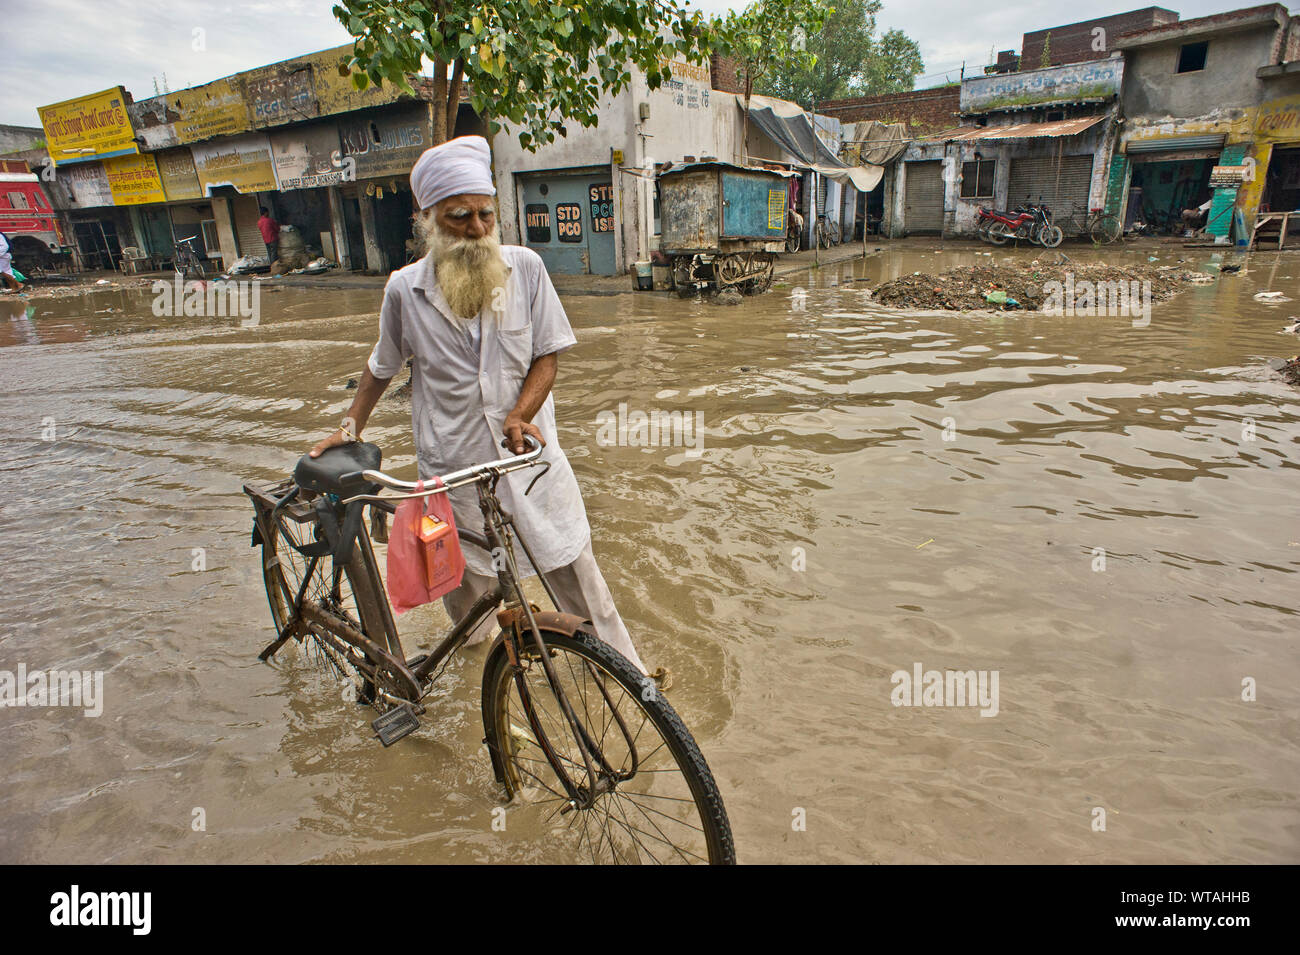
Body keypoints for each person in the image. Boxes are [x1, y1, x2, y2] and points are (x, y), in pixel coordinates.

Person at [309, 135, 658, 679]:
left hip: (528, 461)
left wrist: (520, 414)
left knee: (578, 577)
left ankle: (630, 681)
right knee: (469, 599)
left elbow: (547, 355)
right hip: (454, 467)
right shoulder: (405, 290)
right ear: (429, 220)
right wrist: (349, 426)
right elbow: (382, 366)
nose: (475, 229)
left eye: (484, 216)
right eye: (459, 217)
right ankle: (482, 682)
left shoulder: (527, 271)